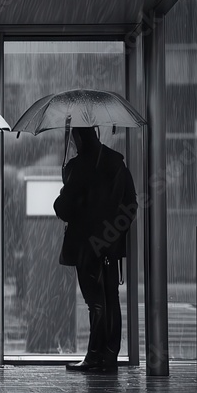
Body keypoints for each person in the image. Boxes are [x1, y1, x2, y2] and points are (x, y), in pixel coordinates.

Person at [55, 127, 137, 374]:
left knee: (95, 302)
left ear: (78, 138)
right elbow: (131, 203)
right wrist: (113, 233)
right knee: (111, 299)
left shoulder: (77, 167)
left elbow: (64, 209)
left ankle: (93, 355)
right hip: (109, 246)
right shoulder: (116, 163)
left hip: (85, 246)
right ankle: (110, 355)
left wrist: (63, 188)